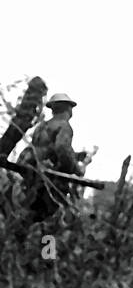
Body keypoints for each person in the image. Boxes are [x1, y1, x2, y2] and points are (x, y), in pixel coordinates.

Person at [17, 91, 83, 222]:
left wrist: (76, 156)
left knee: (30, 210)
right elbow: (62, 149)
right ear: (68, 109)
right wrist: (76, 169)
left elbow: (43, 148)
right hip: (51, 179)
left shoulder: (42, 126)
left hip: (33, 174)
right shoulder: (64, 126)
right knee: (49, 216)